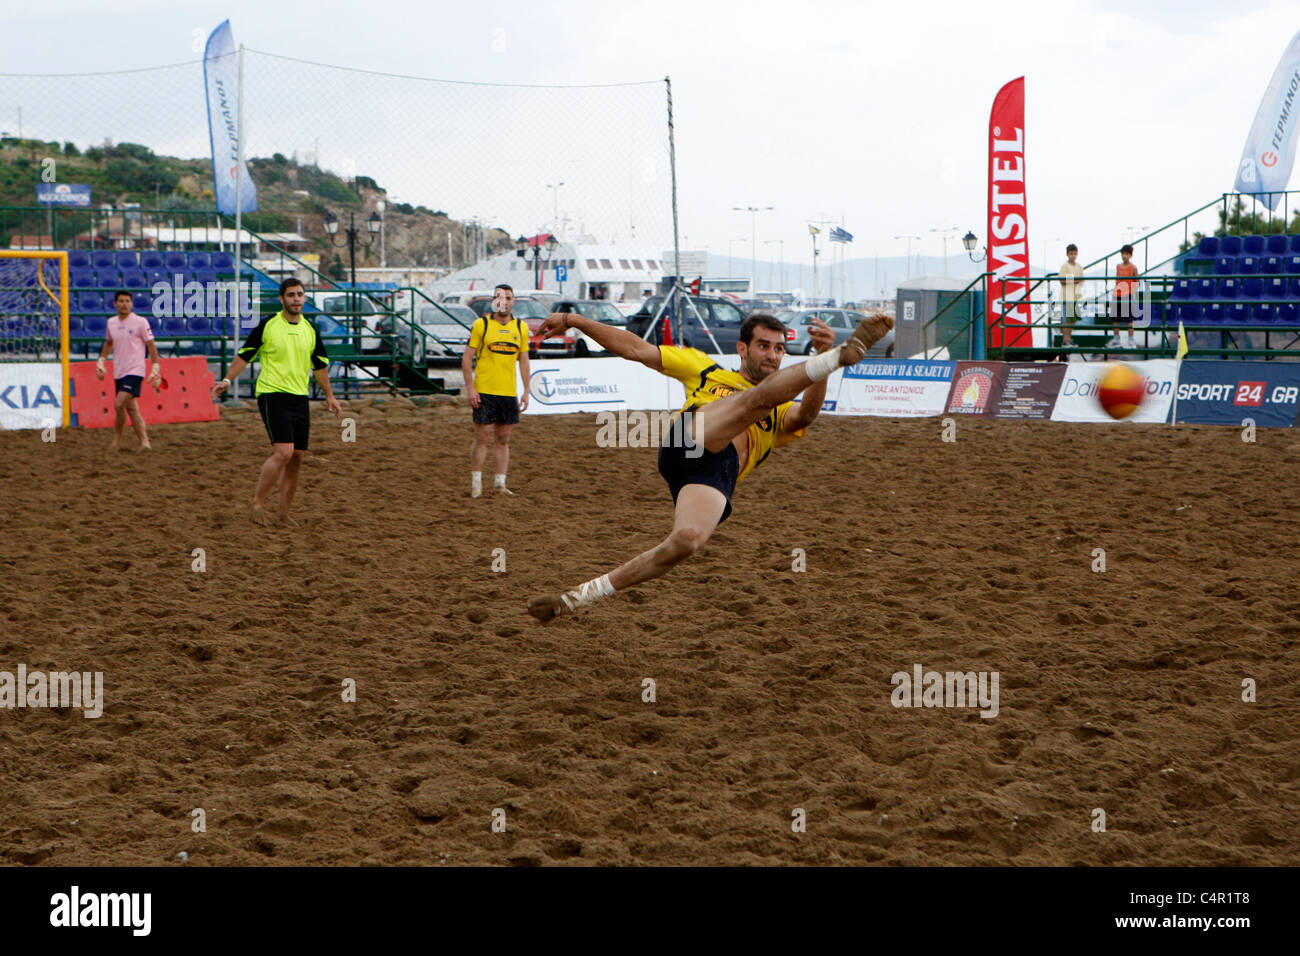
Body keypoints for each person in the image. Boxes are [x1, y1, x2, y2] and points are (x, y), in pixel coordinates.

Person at [526, 309, 893, 621]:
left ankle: (576, 597)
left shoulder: (782, 408)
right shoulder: (705, 369)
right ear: (742, 348)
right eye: (763, 346)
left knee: (686, 542)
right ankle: (841, 356)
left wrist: (823, 371)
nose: (772, 355)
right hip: (689, 440)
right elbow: (635, 348)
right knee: (754, 401)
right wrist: (573, 319)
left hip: (717, 473)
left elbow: (806, 416)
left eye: (779, 349)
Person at [211, 278, 342, 526]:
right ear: (281, 299)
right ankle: (258, 502)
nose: (296, 299)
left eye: (300, 294)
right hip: (273, 395)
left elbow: (320, 366)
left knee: (298, 456)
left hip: (299, 397)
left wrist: (330, 396)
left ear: (305, 298)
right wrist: (227, 381)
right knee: (284, 451)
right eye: (291, 295)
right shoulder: (268, 325)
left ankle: (283, 514)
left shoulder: (310, 329)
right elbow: (244, 355)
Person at [462, 283, 530, 498]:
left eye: (509, 298)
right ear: (494, 301)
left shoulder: (521, 328)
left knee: (504, 438)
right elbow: (467, 357)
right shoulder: (481, 325)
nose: (505, 302)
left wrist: (526, 390)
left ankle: (500, 484)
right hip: (484, 391)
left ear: (513, 301)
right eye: (500, 297)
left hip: (508, 392)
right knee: (482, 436)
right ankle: (476, 484)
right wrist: (471, 388)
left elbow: (524, 361)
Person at [96, 290, 162, 450]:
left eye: (127, 301)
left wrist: (155, 365)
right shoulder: (111, 323)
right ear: (115, 304)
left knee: (119, 404)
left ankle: (117, 440)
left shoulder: (140, 322)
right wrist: (102, 360)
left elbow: (150, 344)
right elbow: (109, 342)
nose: (124, 304)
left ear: (131, 304)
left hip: (135, 370)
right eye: (121, 301)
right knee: (131, 409)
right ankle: (144, 442)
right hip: (119, 370)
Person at [1057, 244, 1085, 360]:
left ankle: (1069, 338)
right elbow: (1062, 280)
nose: (1073, 256)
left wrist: (1073, 281)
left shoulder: (1079, 266)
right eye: (1071, 253)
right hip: (1067, 296)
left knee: (1073, 319)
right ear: (1067, 254)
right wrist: (1074, 280)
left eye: (1075, 253)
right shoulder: (1065, 266)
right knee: (1066, 319)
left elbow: (1082, 279)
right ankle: (1065, 340)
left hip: (1075, 296)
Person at [1113, 244, 1139, 345]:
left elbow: (1137, 281)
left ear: (1130, 255)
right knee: (1116, 319)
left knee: (1129, 319)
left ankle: (1131, 339)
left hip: (1127, 295)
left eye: (1127, 254)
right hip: (1117, 295)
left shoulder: (1133, 267)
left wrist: (1131, 292)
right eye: (1123, 254)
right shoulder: (1118, 266)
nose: (1125, 256)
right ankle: (1116, 339)